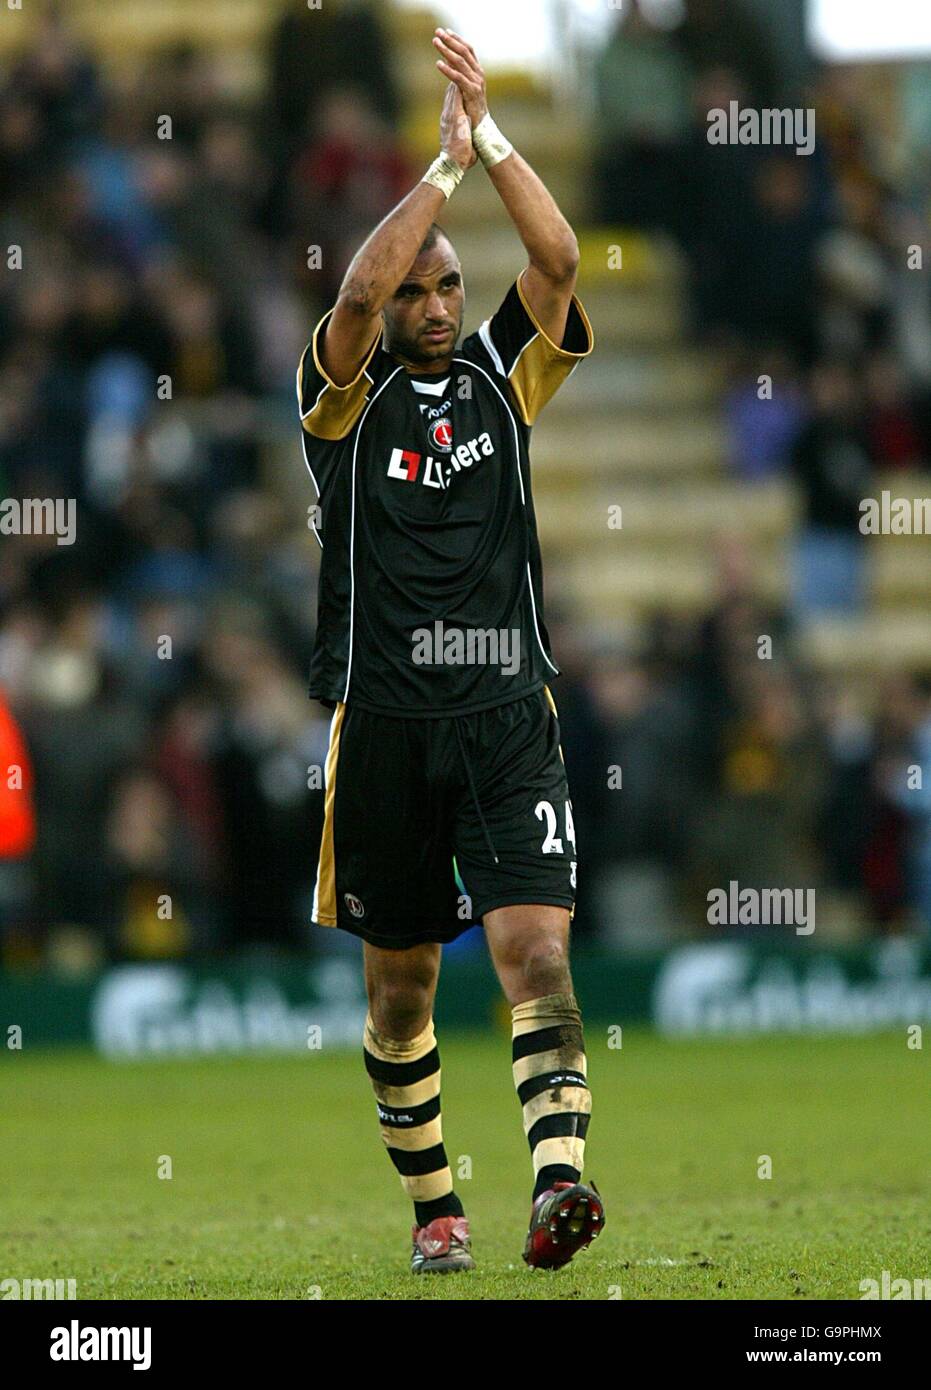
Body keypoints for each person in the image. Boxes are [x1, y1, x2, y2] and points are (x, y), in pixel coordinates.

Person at [296, 29, 602, 1275]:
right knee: (402, 993)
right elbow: (354, 297)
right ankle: (435, 1209)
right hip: (381, 722)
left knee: (535, 949)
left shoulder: (501, 381)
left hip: (506, 713)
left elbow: (562, 256)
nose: (431, 305)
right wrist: (438, 170)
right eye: (419, 291)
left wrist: (493, 141)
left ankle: (558, 1185)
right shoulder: (339, 406)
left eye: (447, 289)